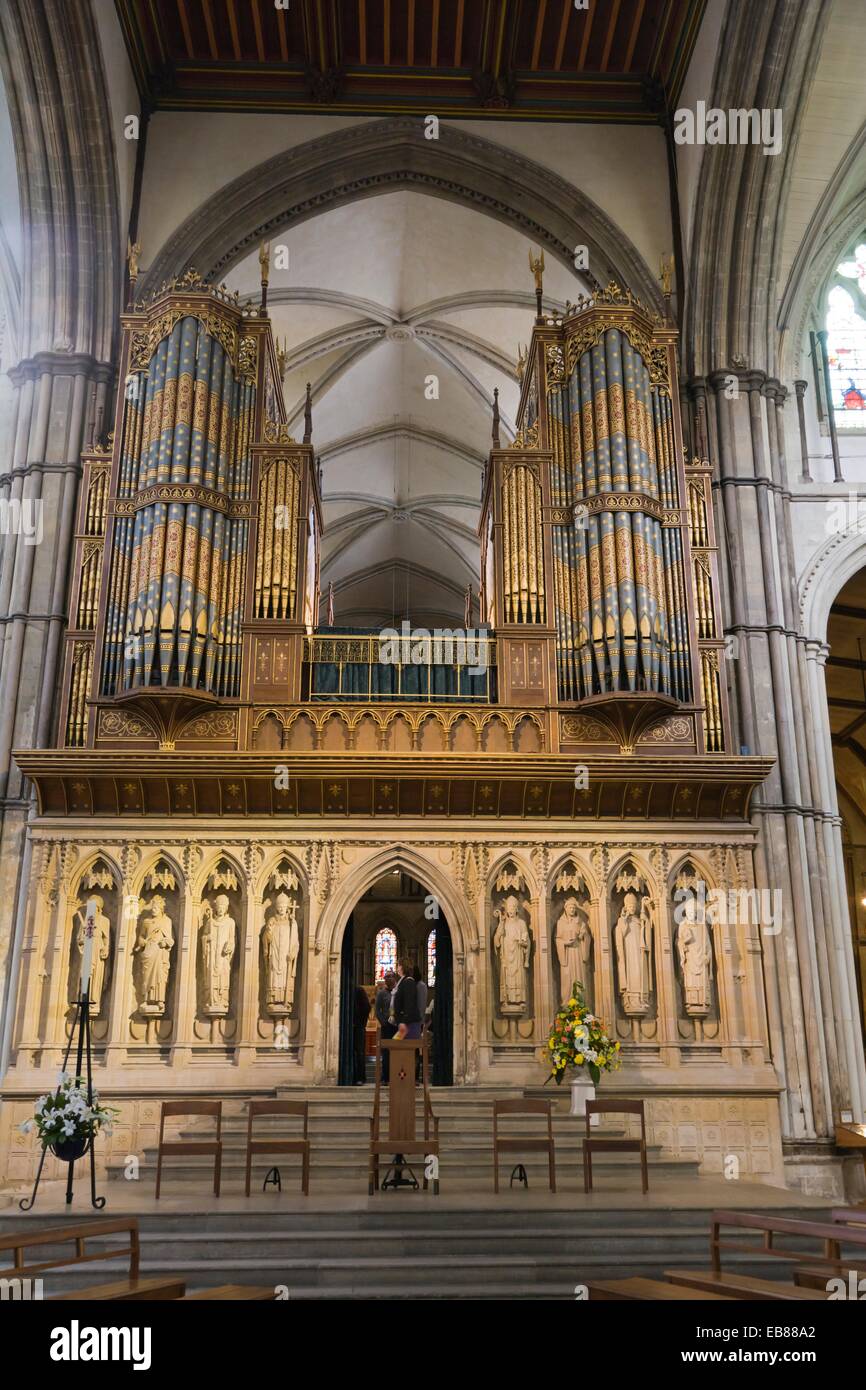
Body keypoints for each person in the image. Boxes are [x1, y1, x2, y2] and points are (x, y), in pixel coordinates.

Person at [375, 971, 397, 1081]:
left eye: (390, 977)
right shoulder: (381, 993)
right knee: (386, 1052)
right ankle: (385, 1077)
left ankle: (396, 1076)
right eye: (386, 977)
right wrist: (384, 1022)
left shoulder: (398, 992)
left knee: (397, 1050)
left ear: (394, 978)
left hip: (397, 1026)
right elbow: (377, 1011)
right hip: (387, 1026)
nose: (388, 979)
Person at [392, 958, 421, 1040]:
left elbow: (409, 1003)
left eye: (398, 965)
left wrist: (404, 1022)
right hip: (405, 1022)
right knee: (401, 1049)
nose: (397, 968)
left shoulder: (408, 982)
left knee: (407, 1049)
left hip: (409, 1023)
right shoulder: (403, 981)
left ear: (403, 967)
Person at [353, 983, 371, 1085]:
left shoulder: (358, 991)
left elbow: (366, 1008)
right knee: (357, 1052)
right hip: (358, 1026)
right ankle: (356, 1077)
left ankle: (360, 1077)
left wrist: (360, 1021)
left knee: (359, 1052)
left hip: (359, 1027)